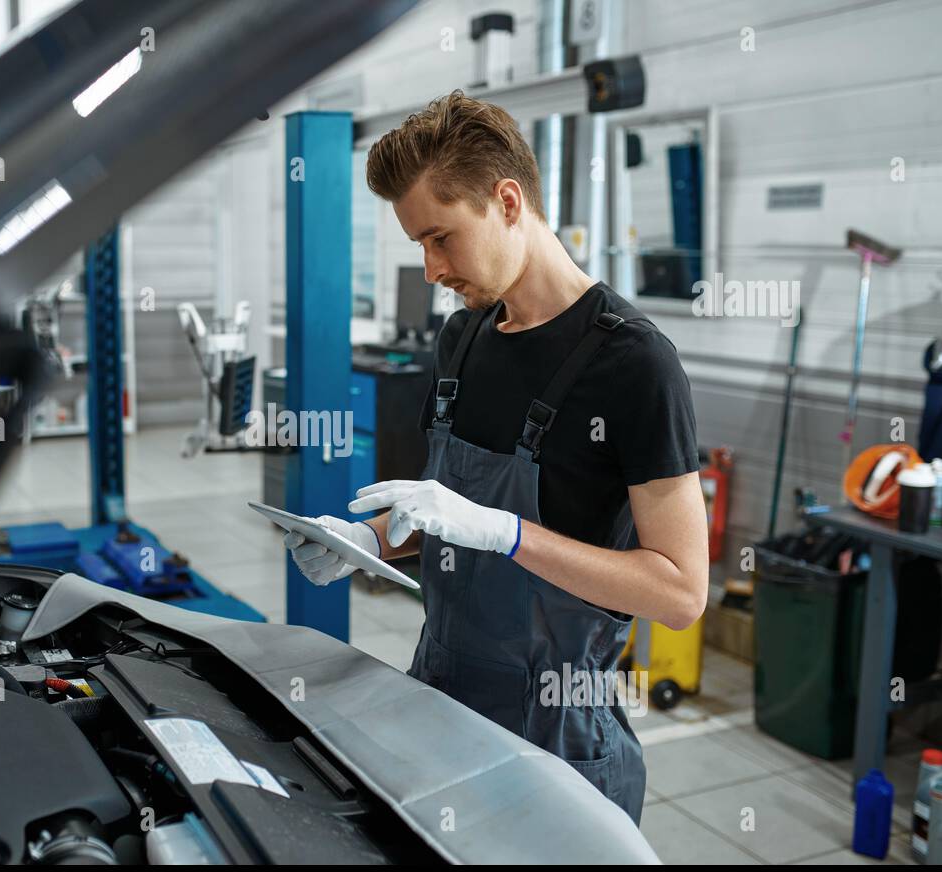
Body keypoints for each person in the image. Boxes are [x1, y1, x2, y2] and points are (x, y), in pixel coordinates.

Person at [284, 91, 708, 826]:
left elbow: (680, 592)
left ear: (507, 200)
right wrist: (368, 540)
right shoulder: (464, 340)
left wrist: (508, 534)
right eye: (419, 244)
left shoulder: (635, 364)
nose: (430, 268)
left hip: (557, 735)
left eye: (441, 238)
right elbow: (447, 512)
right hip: (438, 699)